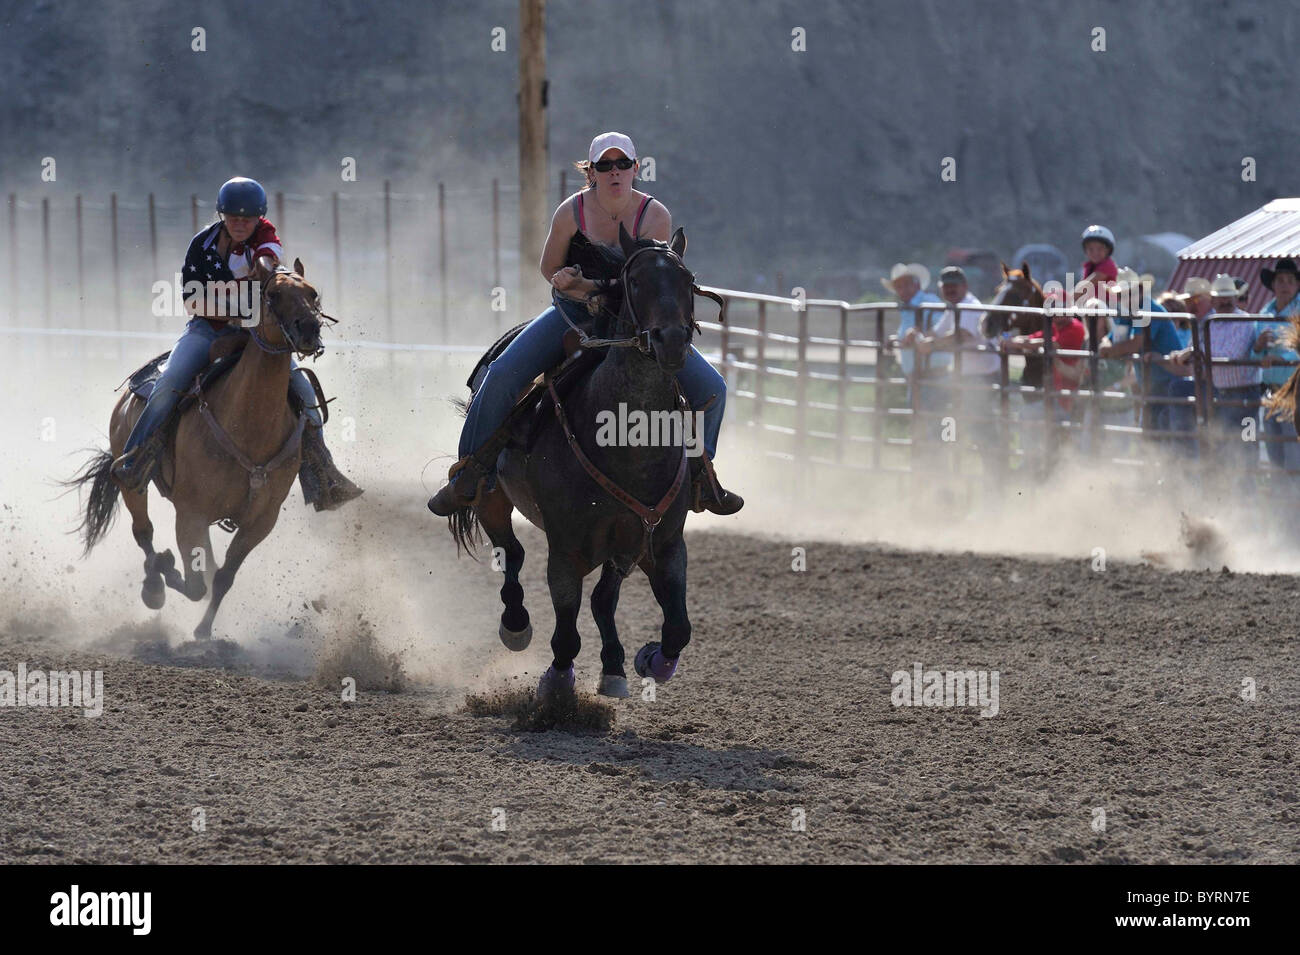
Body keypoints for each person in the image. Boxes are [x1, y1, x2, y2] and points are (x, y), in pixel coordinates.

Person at [428, 132, 742, 516]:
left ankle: (700, 478)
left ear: (635, 169)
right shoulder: (570, 211)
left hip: (632, 326)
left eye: (622, 164)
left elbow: (642, 281)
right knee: (502, 374)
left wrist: (589, 284)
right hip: (572, 315)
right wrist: (564, 283)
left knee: (712, 388)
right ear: (591, 171)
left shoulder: (655, 216)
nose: (615, 172)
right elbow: (548, 266)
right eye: (605, 165)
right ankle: (467, 475)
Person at [111, 177, 362, 510]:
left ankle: (323, 474)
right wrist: (237, 303)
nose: (241, 224)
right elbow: (192, 304)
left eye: (248, 218)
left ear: (259, 217)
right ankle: (137, 457)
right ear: (222, 216)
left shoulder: (266, 237)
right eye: (233, 217)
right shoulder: (202, 246)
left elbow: (269, 261)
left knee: (304, 396)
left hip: (254, 335)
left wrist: (257, 279)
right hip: (207, 331)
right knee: (170, 381)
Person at [916, 266, 1002, 471]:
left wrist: (930, 345)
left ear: (964, 287)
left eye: (954, 286)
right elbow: (938, 332)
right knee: (956, 414)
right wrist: (918, 336)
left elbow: (962, 335)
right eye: (946, 287)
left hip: (982, 375)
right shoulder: (954, 307)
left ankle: (991, 468)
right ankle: (950, 461)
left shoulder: (969, 306)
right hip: (966, 376)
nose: (950, 290)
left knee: (977, 420)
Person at [1253, 258, 1300, 470]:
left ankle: (1292, 501)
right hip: (1271, 391)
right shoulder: (1264, 314)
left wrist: (1283, 359)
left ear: (1297, 285)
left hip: (1295, 393)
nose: (1285, 285)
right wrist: (1258, 347)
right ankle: (1280, 501)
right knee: (1275, 454)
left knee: (1294, 454)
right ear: (1273, 285)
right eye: (1280, 280)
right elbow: (1254, 358)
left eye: (1290, 280)